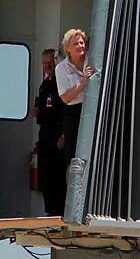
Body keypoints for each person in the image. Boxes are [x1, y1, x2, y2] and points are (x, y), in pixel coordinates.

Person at [33, 48, 66, 216]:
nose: (47, 67)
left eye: (50, 63)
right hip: (45, 137)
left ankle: (59, 211)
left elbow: (66, 112)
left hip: (57, 138)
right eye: (44, 64)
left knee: (57, 176)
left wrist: (64, 135)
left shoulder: (62, 84)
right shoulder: (44, 86)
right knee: (45, 175)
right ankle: (50, 211)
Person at [56, 29, 94, 164]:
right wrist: (83, 82)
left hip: (92, 109)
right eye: (75, 44)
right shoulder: (61, 69)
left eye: (82, 42)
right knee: (73, 154)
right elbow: (65, 98)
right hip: (73, 113)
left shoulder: (93, 60)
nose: (80, 46)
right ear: (67, 49)